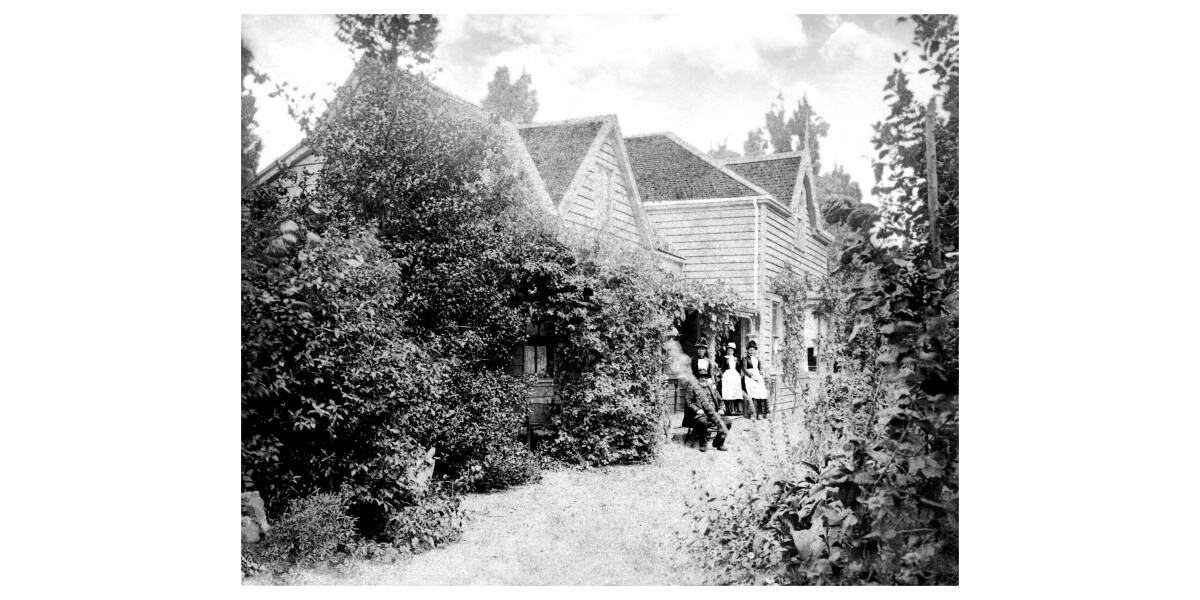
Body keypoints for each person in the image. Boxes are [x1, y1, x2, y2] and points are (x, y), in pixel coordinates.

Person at [683, 338, 731, 452]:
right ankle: (703, 443)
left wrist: (721, 409)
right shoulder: (692, 361)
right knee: (701, 420)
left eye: (703, 349)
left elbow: (720, 401)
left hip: (712, 411)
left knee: (727, 421)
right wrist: (697, 409)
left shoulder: (708, 366)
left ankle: (718, 443)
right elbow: (688, 401)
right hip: (700, 408)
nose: (701, 351)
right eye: (699, 348)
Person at [740, 340, 770, 419]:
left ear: (755, 351)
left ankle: (760, 413)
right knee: (752, 395)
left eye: (753, 350)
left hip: (757, 377)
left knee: (761, 394)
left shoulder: (757, 359)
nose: (751, 352)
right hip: (749, 378)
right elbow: (744, 369)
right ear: (747, 350)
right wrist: (752, 376)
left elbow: (760, 368)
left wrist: (761, 373)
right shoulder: (745, 359)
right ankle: (753, 414)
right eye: (750, 350)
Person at [718, 342, 744, 416]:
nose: (730, 351)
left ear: (733, 351)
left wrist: (738, 363)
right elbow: (721, 368)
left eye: (731, 350)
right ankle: (728, 410)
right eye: (729, 350)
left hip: (734, 375)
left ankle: (736, 409)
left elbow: (739, 368)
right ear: (727, 350)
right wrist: (722, 375)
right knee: (728, 391)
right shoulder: (724, 358)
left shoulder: (736, 358)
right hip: (727, 375)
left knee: (734, 391)